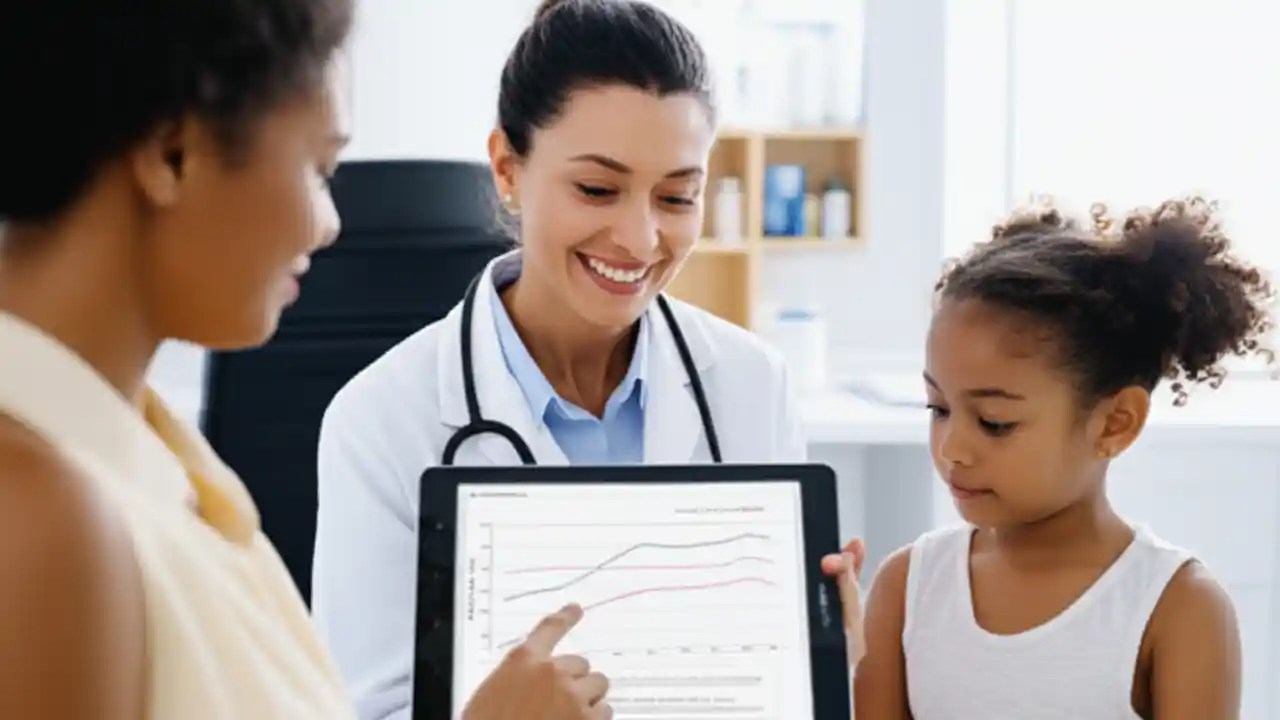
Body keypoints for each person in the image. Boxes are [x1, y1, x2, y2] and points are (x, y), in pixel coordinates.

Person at [0, 2, 618, 718]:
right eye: (318, 169)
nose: (329, 226)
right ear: (174, 154)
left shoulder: (153, 455)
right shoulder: (39, 514)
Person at [310, 0, 811, 716]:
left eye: (676, 196)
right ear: (508, 169)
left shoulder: (752, 384)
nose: (640, 240)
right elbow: (364, 708)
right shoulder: (383, 418)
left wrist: (823, 665)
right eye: (597, 189)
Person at [852, 197, 1262, 719]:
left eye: (995, 422)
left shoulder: (1177, 608)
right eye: (938, 409)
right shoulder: (906, 589)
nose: (952, 447)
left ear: (1115, 423)